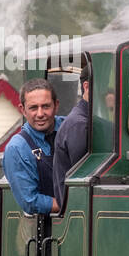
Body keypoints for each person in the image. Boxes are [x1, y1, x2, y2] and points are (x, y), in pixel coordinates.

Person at [3, 79, 64, 215]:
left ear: (56, 105)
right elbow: (30, 201)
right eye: (33, 108)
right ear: (23, 110)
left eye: (46, 106)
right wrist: (72, 205)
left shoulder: (71, 129)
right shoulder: (17, 149)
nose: (40, 114)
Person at [52, 63, 91, 209]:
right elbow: (81, 177)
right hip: (75, 208)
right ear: (86, 87)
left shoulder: (84, 120)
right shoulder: (79, 125)